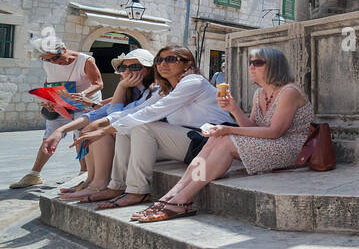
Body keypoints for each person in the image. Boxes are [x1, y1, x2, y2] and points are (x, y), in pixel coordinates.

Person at [131, 47, 313, 222]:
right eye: (250, 62)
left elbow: (275, 132)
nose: (251, 66)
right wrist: (234, 109)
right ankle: (172, 194)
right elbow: (253, 127)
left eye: (257, 62)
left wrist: (228, 129)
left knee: (225, 139)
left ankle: (183, 199)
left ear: (275, 66)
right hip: (269, 144)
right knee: (217, 137)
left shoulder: (289, 92)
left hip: (291, 149)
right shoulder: (260, 93)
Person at [82, 45, 226, 211]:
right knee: (126, 130)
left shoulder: (194, 81)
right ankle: (116, 186)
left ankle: (137, 191)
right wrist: (102, 123)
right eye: (159, 60)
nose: (163, 64)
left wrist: (104, 130)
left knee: (143, 127)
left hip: (209, 143)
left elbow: (152, 112)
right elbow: (137, 110)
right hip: (187, 142)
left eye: (170, 59)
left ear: (187, 64)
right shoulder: (165, 89)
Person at [45, 50, 157, 201]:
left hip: (147, 142)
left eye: (135, 67)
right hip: (133, 138)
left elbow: (115, 116)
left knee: (99, 130)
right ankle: (91, 179)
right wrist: (60, 130)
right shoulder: (132, 91)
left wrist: (121, 86)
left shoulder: (152, 91)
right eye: (124, 68)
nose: (128, 72)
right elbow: (95, 114)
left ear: (148, 70)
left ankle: (99, 183)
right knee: (91, 127)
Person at [9, 38, 103, 189]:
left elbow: (98, 83)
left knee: (82, 136)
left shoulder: (85, 61)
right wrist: (47, 99)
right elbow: (49, 82)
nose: (53, 62)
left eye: (55, 58)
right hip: (60, 104)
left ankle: (84, 173)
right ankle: (34, 175)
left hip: (84, 103)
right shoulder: (49, 63)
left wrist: (83, 94)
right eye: (47, 60)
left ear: (63, 49)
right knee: (49, 136)